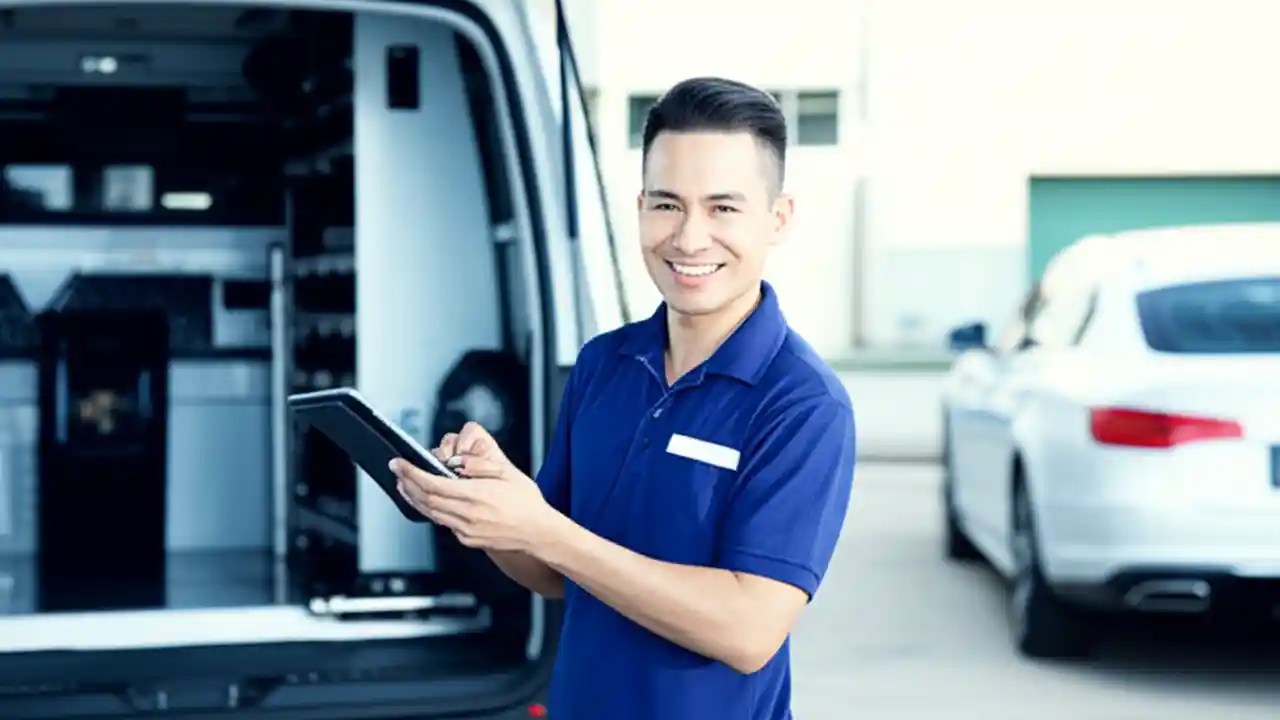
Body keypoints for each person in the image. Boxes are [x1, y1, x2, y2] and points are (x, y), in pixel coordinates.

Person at [391, 76, 857, 720]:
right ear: (640, 207)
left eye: (723, 208)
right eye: (667, 204)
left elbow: (748, 631)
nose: (689, 238)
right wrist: (491, 507)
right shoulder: (603, 364)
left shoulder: (802, 403)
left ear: (777, 219)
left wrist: (546, 530)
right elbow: (551, 573)